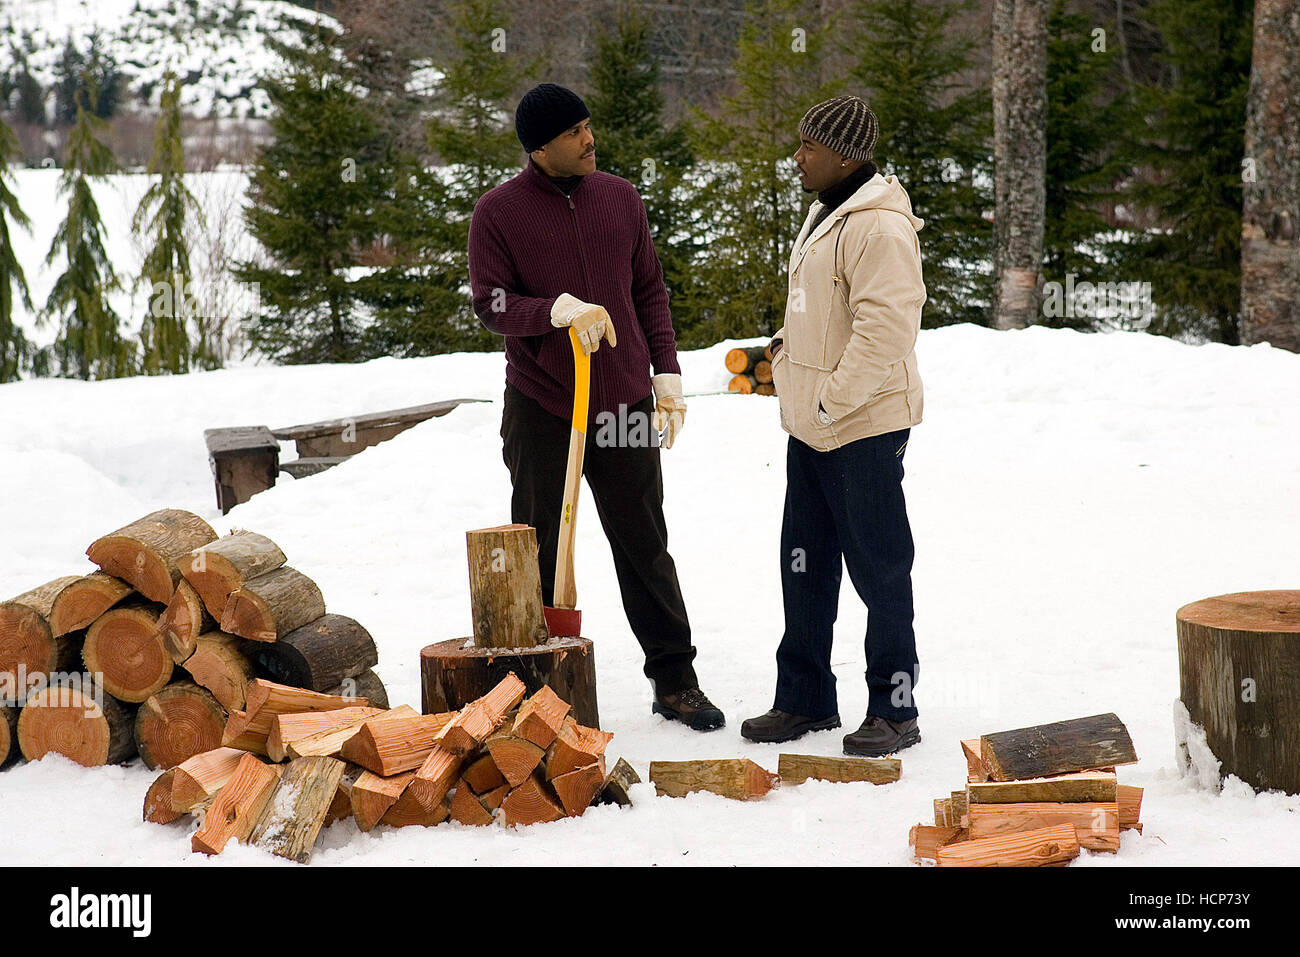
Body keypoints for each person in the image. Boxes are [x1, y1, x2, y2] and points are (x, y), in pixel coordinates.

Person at [467, 83, 724, 731]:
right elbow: (489, 305)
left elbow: (649, 290)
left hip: (624, 399)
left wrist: (665, 371)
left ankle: (675, 679)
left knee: (644, 541)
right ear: (539, 148)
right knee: (539, 549)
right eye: (574, 132)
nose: (589, 139)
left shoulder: (619, 197)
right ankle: (531, 688)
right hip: (543, 405)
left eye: (588, 125)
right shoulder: (498, 213)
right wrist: (553, 309)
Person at [740, 95, 926, 755]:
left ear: (844, 156)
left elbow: (886, 331)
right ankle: (806, 698)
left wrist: (831, 400)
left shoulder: (878, 227)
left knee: (880, 571)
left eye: (809, 147)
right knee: (805, 566)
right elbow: (829, 311)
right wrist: (790, 361)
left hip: (862, 428)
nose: (798, 156)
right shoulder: (829, 212)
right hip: (812, 428)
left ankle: (895, 708)